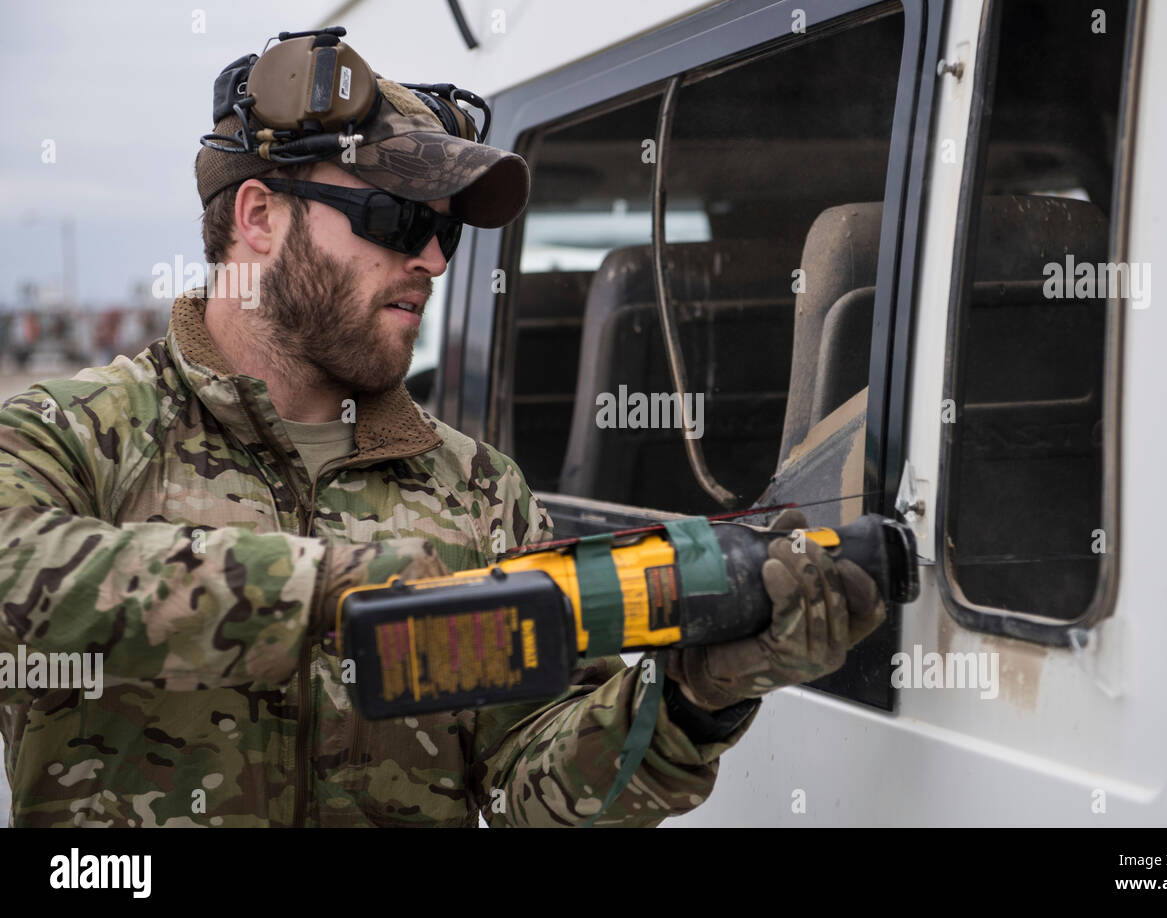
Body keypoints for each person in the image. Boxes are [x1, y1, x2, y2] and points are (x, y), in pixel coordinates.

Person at [0, 31, 885, 827]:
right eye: (397, 217)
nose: (430, 258)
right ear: (259, 217)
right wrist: (339, 593)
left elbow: (525, 794)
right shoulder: (76, 436)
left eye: (446, 233)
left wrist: (694, 703)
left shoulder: (478, 491)